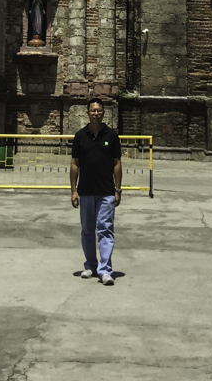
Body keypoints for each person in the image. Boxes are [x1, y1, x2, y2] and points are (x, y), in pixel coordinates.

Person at [70, 98, 122, 285]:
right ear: (87, 113)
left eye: (99, 110)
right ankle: (90, 265)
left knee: (105, 229)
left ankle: (105, 269)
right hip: (86, 191)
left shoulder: (112, 136)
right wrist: (73, 190)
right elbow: (74, 164)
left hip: (107, 191)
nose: (96, 113)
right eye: (93, 110)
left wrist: (118, 189)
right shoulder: (80, 136)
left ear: (103, 113)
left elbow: (117, 163)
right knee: (87, 230)